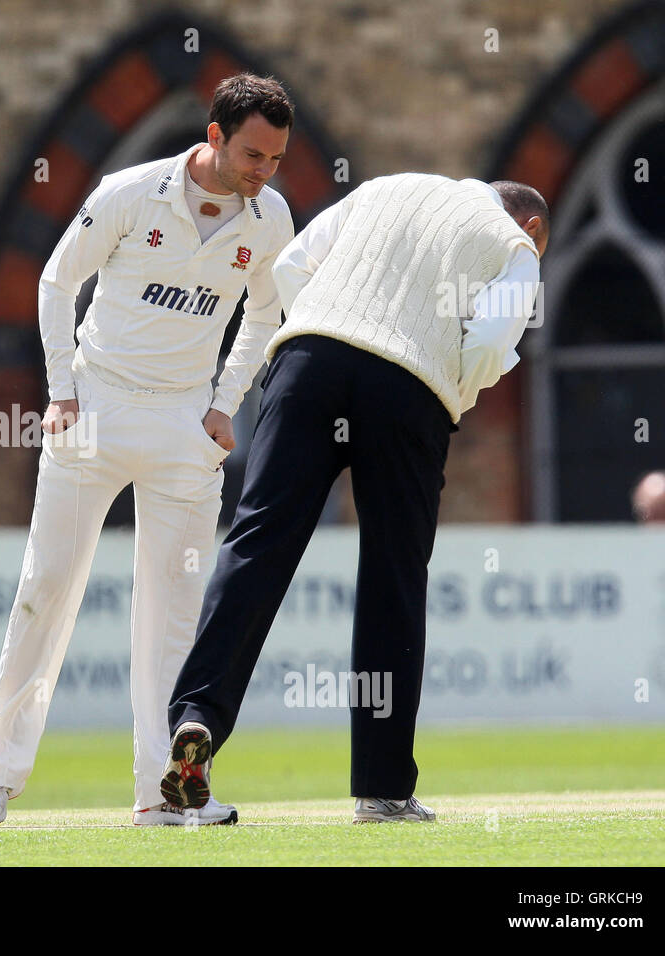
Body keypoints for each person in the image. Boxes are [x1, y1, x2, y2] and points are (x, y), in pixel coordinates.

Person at [0, 74, 296, 826]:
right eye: (251, 154)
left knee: (175, 611)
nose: (262, 172)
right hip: (97, 404)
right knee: (46, 590)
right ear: (213, 136)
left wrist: (222, 404)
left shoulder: (270, 216)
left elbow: (267, 313)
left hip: (184, 422)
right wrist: (60, 392)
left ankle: (162, 793)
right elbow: (54, 280)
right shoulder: (129, 190)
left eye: (274, 159)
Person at [161, 174, 550, 823]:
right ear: (534, 227)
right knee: (392, 577)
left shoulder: (384, 188)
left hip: (306, 360)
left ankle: (196, 714)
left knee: (257, 541)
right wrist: (450, 388)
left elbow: (291, 265)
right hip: (409, 385)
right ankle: (384, 785)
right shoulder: (515, 245)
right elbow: (487, 342)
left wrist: (328, 332)